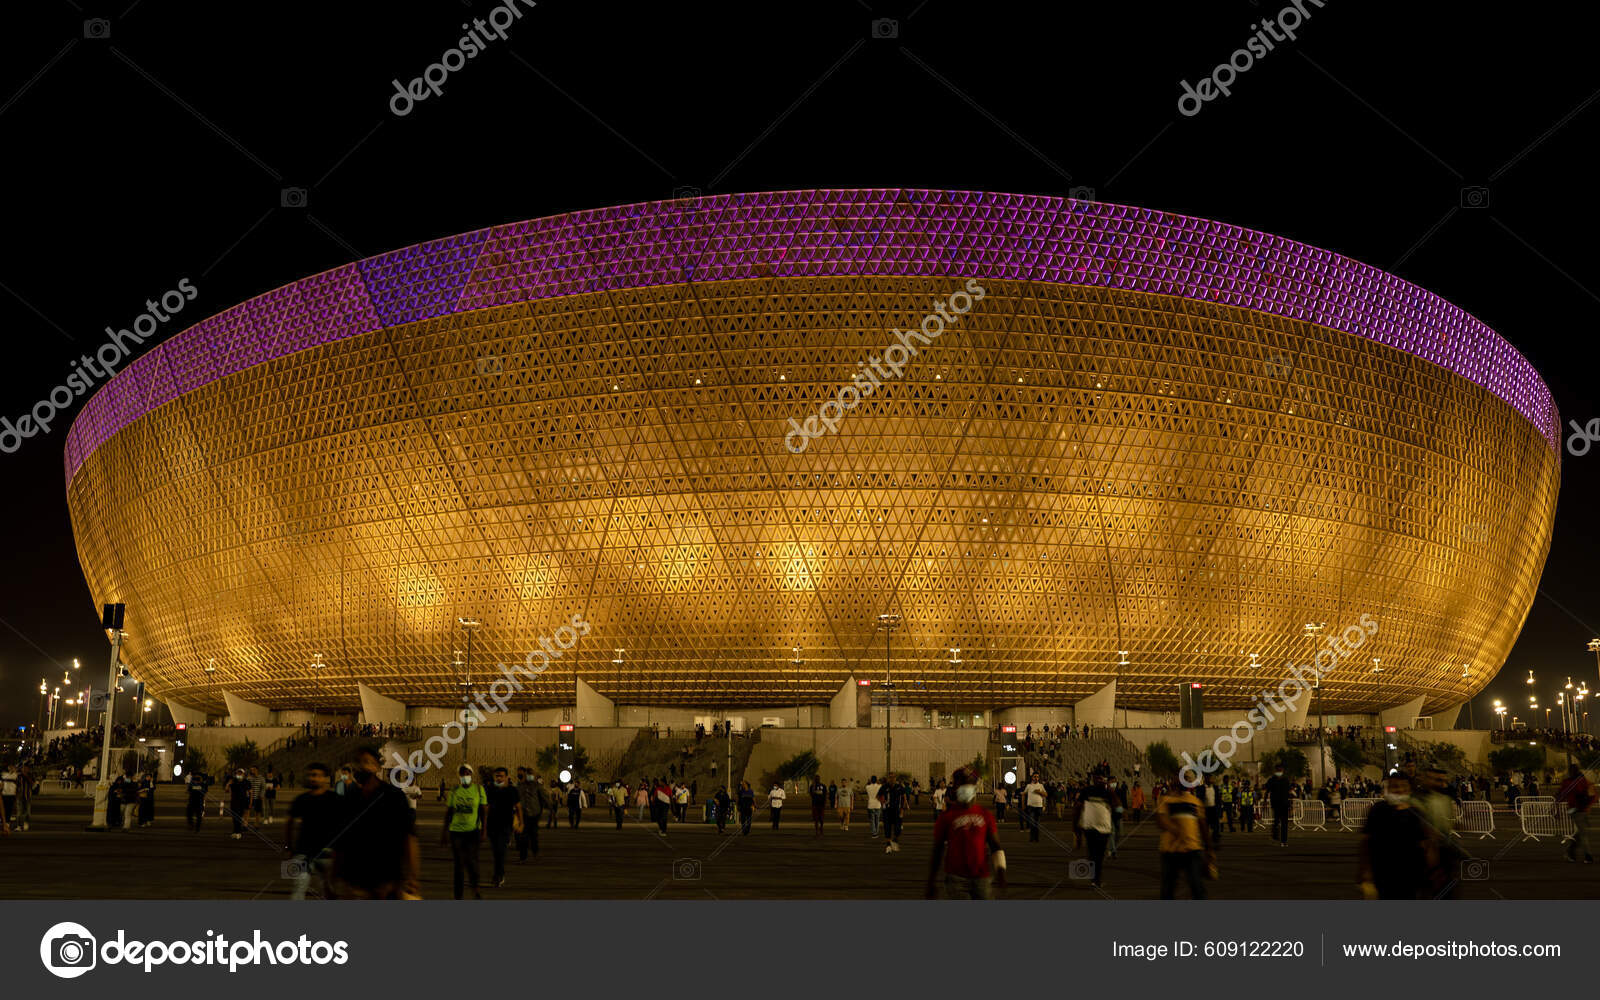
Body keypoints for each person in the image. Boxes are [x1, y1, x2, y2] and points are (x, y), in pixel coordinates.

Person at [329, 746, 420, 899]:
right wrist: (333, 876)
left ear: (377, 767)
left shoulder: (393, 797)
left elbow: (409, 838)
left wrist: (413, 876)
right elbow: (341, 843)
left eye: (367, 762)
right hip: (355, 883)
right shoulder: (349, 799)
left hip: (387, 882)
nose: (361, 766)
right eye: (357, 762)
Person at [926, 769, 1006, 899]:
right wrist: (931, 881)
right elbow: (937, 849)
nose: (966, 787)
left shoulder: (985, 815)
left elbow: (995, 845)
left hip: (981, 877)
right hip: (956, 878)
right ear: (955, 788)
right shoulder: (946, 817)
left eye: (969, 783)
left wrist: (1000, 870)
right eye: (962, 783)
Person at [1358, 773, 1433, 900]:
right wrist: (1366, 873)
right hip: (1382, 875)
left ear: (1409, 790)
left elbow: (1425, 845)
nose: (1399, 790)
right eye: (1395, 786)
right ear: (1388, 789)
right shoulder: (1377, 810)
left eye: (1403, 786)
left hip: (1410, 877)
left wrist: (1429, 875)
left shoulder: (1416, 814)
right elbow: (1366, 842)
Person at [284, 763, 339, 900]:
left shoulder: (335, 799)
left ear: (325, 778)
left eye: (316, 775)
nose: (313, 778)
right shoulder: (301, 799)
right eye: (310, 775)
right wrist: (288, 847)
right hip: (303, 852)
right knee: (298, 889)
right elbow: (289, 823)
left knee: (329, 890)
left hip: (327, 853)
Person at [1156, 781, 1213, 899]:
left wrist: (1209, 848)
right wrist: (1175, 829)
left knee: (1196, 887)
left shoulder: (1195, 801)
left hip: (1191, 849)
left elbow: (1203, 826)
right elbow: (1160, 821)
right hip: (1171, 850)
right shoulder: (1165, 800)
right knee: (1168, 889)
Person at [443, 764, 487, 899]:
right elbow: (449, 812)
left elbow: (483, 811)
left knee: (472, 862)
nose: (465, 776)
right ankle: (458, 895)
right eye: (462, 774)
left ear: (471, 774)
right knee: (459, 864)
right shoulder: (454, 791)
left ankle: (475, 888)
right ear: (459, 776)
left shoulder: (478, 790)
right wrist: (444, 831)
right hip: (456, 832)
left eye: (467, 773)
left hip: (473, 832)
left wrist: (484, 830)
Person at [1077, 774, 1117, 887]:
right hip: (1091, 827)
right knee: (1094, 853)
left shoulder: (1107, 792)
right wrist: (1076, 825)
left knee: (1097, 854)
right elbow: (1078, 806)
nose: (1100, 780)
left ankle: (1095, 879)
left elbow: (1117, 806)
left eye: (1102, 778)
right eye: (1098, 778)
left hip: (1102, 828)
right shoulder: (1087, 790)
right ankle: (1095, 879)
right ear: (1093, 780)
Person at [483, 767, 521, 888]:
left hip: (505, 826)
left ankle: (498, 875)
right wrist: (484, 827)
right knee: (496, 852)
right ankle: (499, 873)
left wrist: (521, 823)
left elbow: (518, 807)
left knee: (501, 851)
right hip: (492, 825)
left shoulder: (512, 790)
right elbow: (486, 809)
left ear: (506, 777)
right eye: (497, 776)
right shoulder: (490, 790)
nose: (499, 778)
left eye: (501, 776)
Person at [1556, 764, 1594, 864]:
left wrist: (1556, 809)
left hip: (1575, 809)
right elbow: (1591, 794)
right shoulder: (1582, 780)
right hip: (1581, 809)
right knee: (1582, 833)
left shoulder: (1569, 782)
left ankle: (1571, 852)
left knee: (1580, 834)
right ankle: (1587, 855)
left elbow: (1560, 795)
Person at [516, 770, 542, 860]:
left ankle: (535, 851)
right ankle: (523, 856)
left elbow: (544, 797)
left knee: (534, 835)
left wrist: (551, 809)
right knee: (523, 836)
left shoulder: (537, 786)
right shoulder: (520, 786)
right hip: (523, 815)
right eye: (528, 774)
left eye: (531, 774)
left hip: (534, 814)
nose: (529, 776)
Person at [1264, 765, 1293, 847]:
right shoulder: (1272, 780)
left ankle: (1283, 840)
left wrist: (1290, 803)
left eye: (1281, 770)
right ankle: (1276, 836)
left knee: (1284, 823)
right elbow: (1267, 791)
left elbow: (1289, 792)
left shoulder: (1285, 780)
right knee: (1277, 821)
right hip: (1276, 804)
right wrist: (1265, 801)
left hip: (1284, 804)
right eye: (1278, 770)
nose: (1279, 772)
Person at [882, 775, 907, 853]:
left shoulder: (899, 787)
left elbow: (904, 798)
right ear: (888, 779)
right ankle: (888, 846)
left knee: (898, 829)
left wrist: (902, 809)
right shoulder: (884, 787)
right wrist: (883, 802)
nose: (892, 779)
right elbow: (878, 796)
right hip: (887, 811)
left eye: (893, 778)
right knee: (887, 829)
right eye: (890, 778)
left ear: (895, 779)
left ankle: (894, 840)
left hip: (897, 810)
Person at [226, 769, 251, 839]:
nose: (239, 774)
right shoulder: (233, 781)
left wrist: (249, 802)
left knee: (239, 817)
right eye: (238, 773)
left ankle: (238, 832)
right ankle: (235, 831)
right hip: (234, 802)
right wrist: (228, 783)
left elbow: (249, 792)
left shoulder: (246, 782)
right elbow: (226, 790)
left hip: (242, 802)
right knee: (234, 817)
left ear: (243, 774)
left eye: (241, 773)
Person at [1021, 775, 1046, 843]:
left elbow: (1046, 794)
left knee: (1037, 823)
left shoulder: (1041, 786)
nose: (1036, 778)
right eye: (1034, 776)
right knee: (1032, 822)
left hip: (1039, 806)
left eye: (1037, 777)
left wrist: (1039, 792)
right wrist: (1023, 804)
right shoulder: (1029, 786)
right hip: (1031, 806)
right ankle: (1032, 838)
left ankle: (1036, 838)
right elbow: (1024, 794)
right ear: (1032, 778)